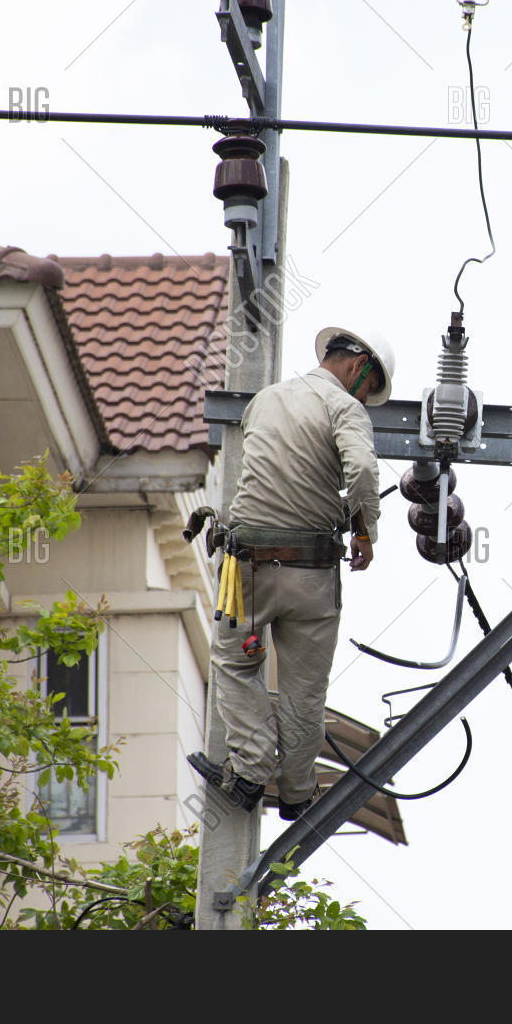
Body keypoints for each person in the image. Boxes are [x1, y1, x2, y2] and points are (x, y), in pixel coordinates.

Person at [188, 325, 395, 822]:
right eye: (367, 387)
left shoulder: (264, 399)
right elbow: (363, 474)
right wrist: (364, 532)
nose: (364, 397)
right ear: (357, 364)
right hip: (313, 575)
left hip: (247, 571)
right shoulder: (345, 409)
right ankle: (299, 792)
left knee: (236, 665)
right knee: (306, 688)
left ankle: (252, 772)